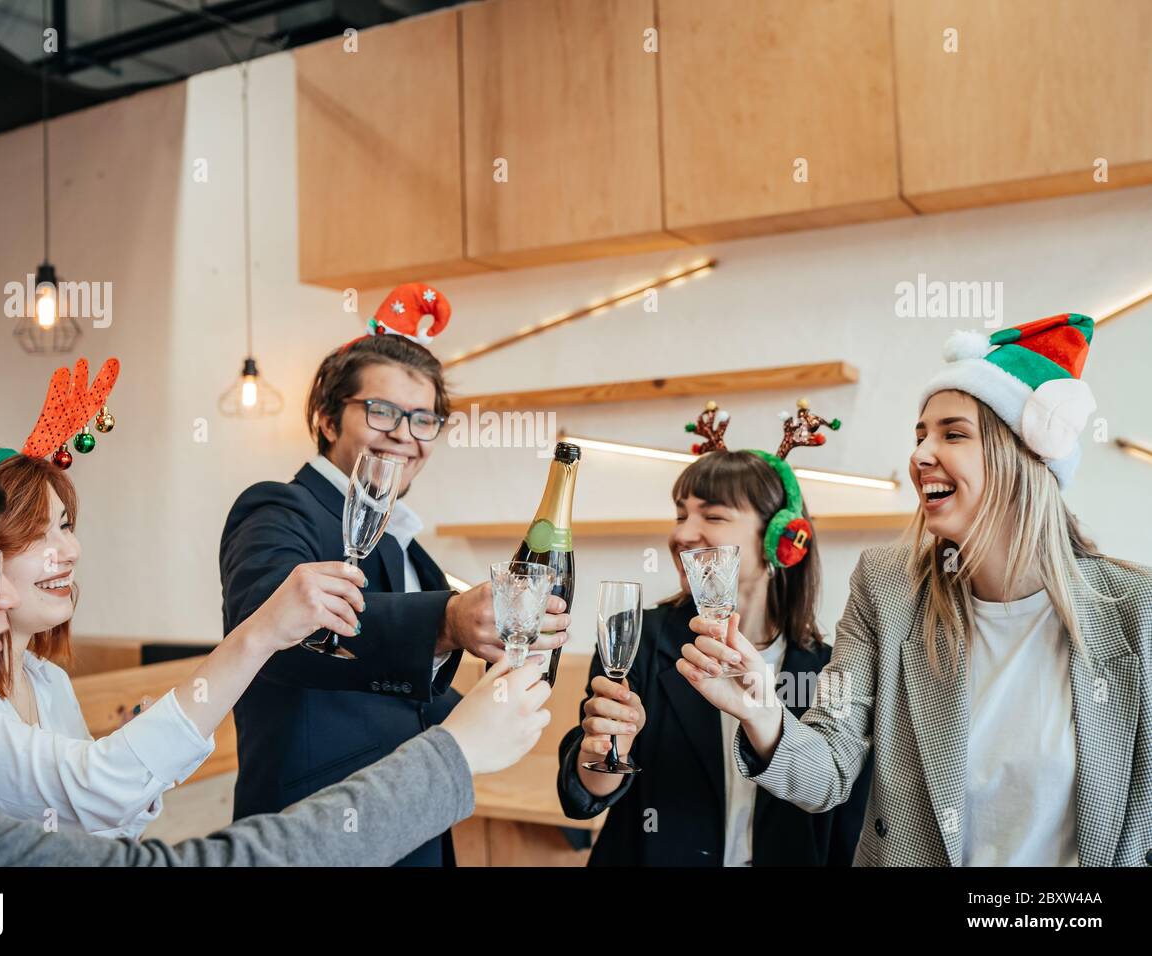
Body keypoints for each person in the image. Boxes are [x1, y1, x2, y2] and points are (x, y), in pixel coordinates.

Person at [0, 403, 552, 865]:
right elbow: (109, 805)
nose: (1, 591)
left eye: (66, 528)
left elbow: (103, 821)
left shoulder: (38, 683)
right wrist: (451, 756)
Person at [679, 314, 1152, 866]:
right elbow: (828, 770)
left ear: (1023, 456)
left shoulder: (1135, 611)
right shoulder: (886, 589)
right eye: (920, 435)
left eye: (953, 434)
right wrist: (762, 713)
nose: (921, 454)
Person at [221, 284, 569, 866]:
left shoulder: (413, 552)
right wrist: (450, 620)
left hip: (409, 825)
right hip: (310, 833)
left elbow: (402, 699)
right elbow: (272, 636)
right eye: (382, 411)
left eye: (424, 419)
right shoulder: (279, 508)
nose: (405, 435)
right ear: (328, 419)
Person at [557, 402, 869, 865]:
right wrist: (603, 744)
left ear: (780, 541)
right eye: (681, 515)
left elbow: (844, 817)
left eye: (713, 517)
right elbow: (585, 796)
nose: (684, 534)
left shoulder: (831, 667)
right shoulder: (637, 636)